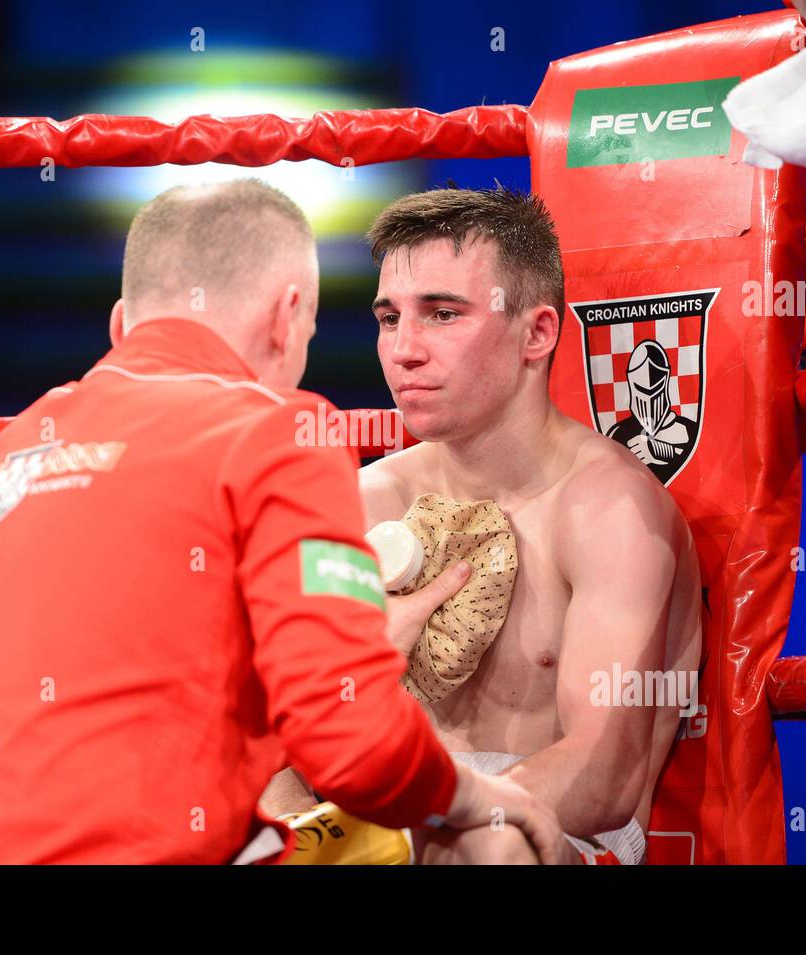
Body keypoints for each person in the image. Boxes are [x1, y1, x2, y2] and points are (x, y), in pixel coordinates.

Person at [0, 180, 562, 865]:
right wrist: (478, 795)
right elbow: (353, 741)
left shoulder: (15, 445)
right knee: (493, 847)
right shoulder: (279, 431)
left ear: (119, 324)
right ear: (288, 313)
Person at [265, 186, 703, 865]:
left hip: (544, 838)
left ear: (537, 332)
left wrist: (428, 820)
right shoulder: (362, 501)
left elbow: (605, 776)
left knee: (493, 845)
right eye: (389, 318)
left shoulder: (609, 508)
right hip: (392, 824)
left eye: (441, 314)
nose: (404, 349)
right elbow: (274, 733)